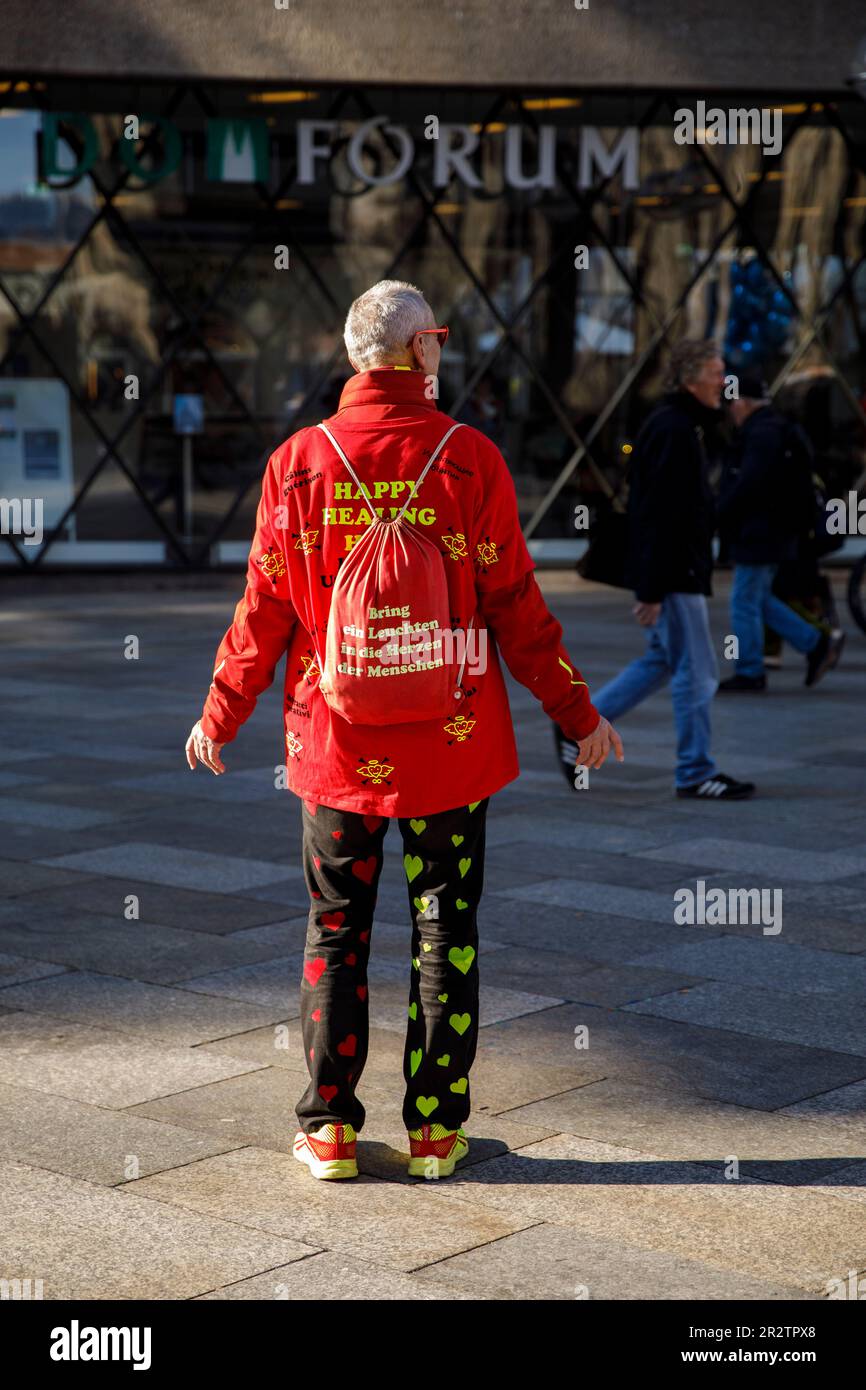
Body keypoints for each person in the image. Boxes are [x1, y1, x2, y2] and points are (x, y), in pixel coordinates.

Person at [185, 280, 623, 1182]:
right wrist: (579, 715)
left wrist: (220, 710)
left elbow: (264, 606)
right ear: (420, 351)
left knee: (336, 929)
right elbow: (517, 609)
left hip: (337, 740)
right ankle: (433, 1133)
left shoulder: (298, 461)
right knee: (444, 929)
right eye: (439, 340)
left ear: (355, 358)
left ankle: (331, 1132)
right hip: (451, 750)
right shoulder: (471, 459)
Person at [554, 339, 754, 801]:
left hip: (676, 571)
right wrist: (652, 588)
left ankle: (577, 727)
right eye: (715, 372)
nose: (724, 382)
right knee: (698, 673)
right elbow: (658, 514)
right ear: (690, 378)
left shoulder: (685, 425)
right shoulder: (674, 429)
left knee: (664, 660)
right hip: (675, 574)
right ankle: (695, 771)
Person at [716, 372, 844, 692]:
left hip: (759, 532)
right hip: (772, 532)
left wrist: (718, 513)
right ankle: (816, 643)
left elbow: (749, 484)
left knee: (744, 600)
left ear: (744, 404)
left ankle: (750, 670)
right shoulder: (776, 429)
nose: (731, 410)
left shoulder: (761, 435)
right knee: (758, 598)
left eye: (733, 403)